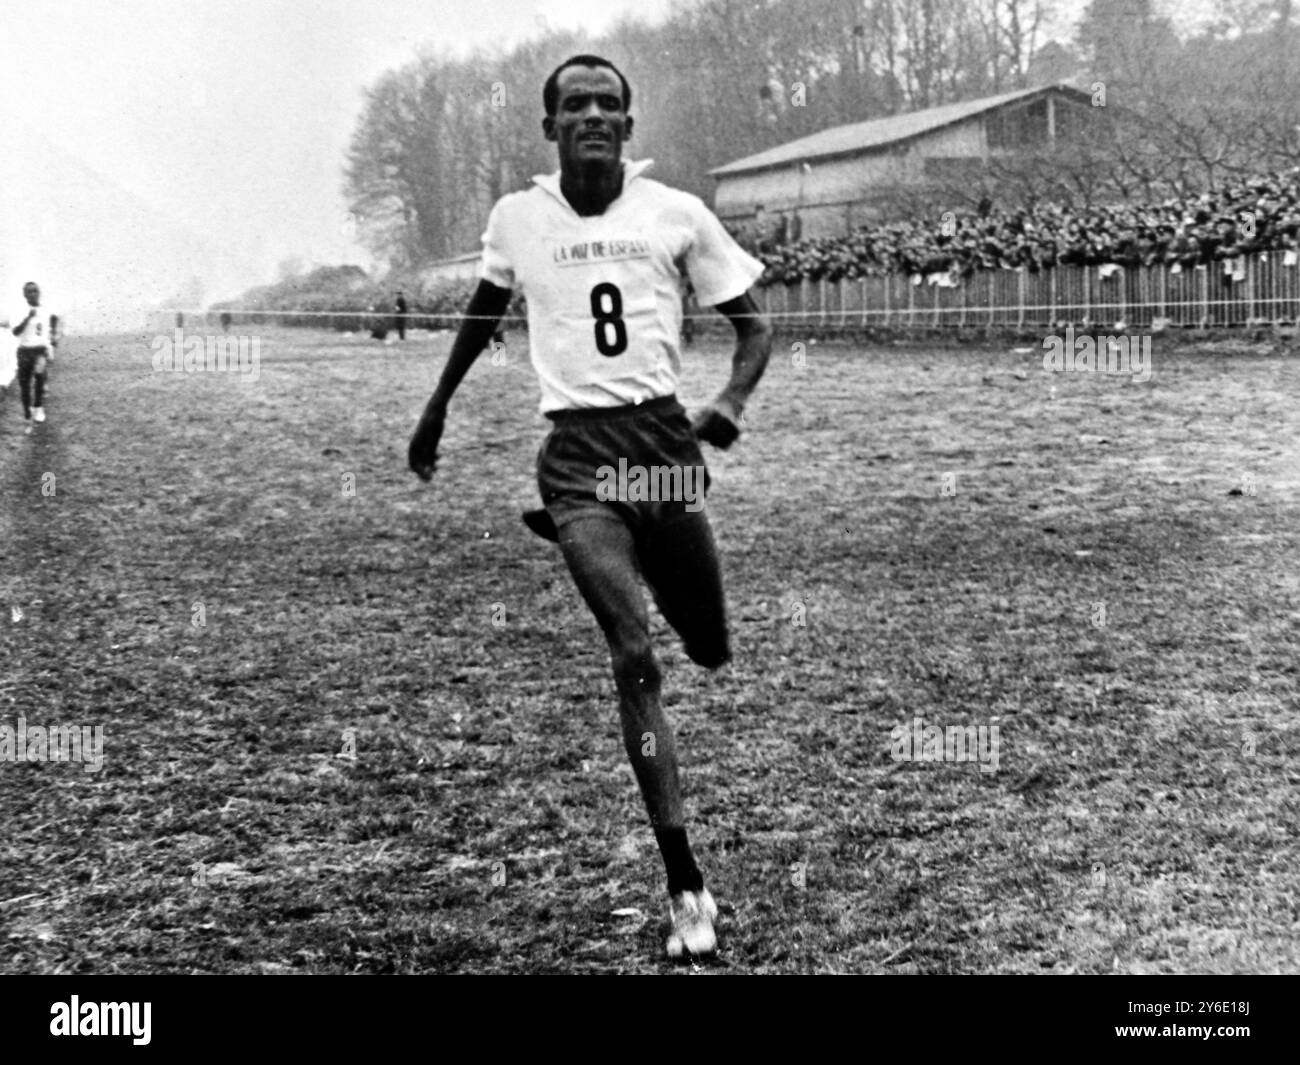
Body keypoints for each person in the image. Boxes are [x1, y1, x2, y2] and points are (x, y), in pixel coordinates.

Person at [407, 54, 772, 962]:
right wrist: (436, 405)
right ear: (550, 128)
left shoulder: (677, 213)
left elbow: (756, 325)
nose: (595, 116)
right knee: (635, 656)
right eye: (577, 105)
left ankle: (606, 540)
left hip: (662, 455)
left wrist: (726, 403)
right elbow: (485, 315)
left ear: (629, 124)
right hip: (575, 456)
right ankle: (685, 884)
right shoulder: (517, 220)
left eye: (610, 103)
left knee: (710, 646)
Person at [11, 281, 58, 433]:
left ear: (39, 292)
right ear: (24, 295)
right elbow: (15, 332)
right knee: (25, 386)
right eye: (30, 292)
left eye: (35, 291)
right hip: (24, 351)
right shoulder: (19, 310)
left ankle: (38, 407)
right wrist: (27, 318)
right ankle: (27, 415)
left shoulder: (45, 310)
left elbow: (46, 331)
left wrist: (49, 348)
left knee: (40, 377)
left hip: (39, 350)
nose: (33, 294)